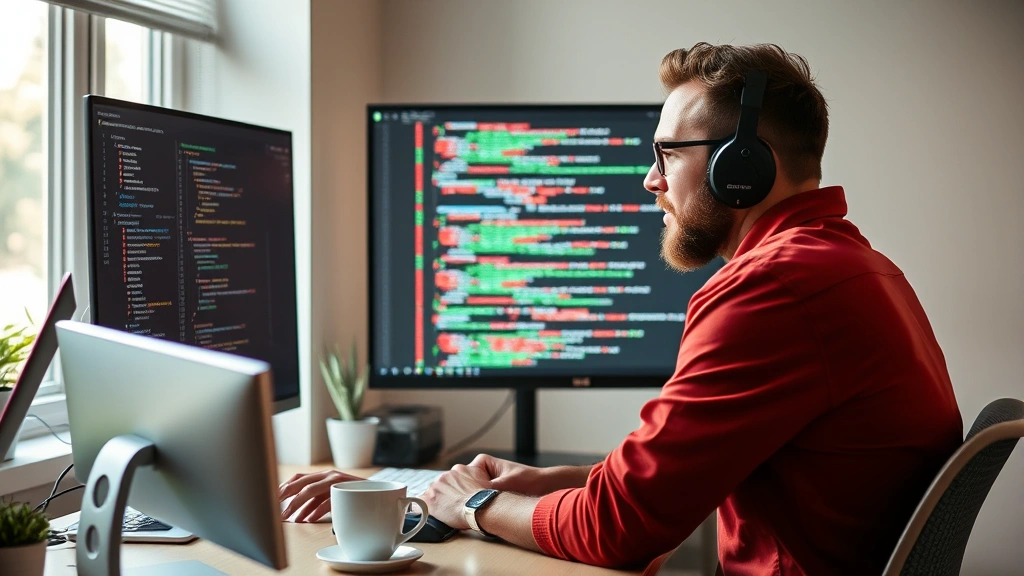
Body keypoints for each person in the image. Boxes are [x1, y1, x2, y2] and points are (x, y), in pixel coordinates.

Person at [279, 42, 963, 575]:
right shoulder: (848, 265)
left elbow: (622, 530)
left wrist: (473, 505)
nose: (650, 180)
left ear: (742, 166)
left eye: (668, 153)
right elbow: (665, 477)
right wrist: (541, 482)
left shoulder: (774, 289)